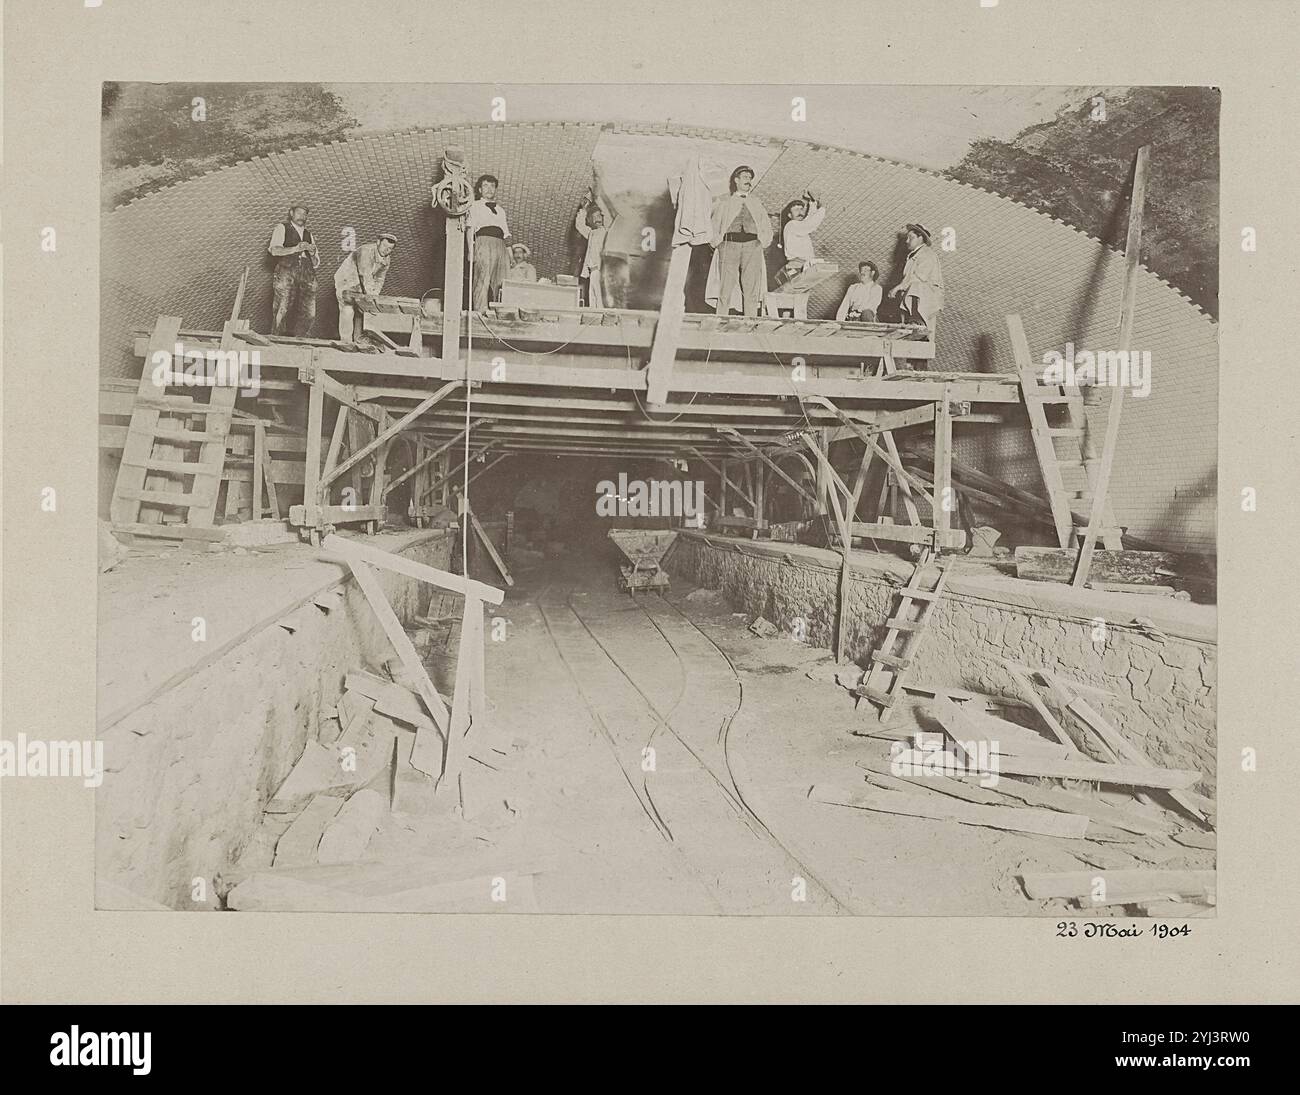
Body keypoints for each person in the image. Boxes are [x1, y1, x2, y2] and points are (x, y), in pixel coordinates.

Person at [709, 165, 773, 317]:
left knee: (751, 286)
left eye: (750, 178)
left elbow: (766, 225)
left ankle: (749, 320)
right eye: (745, 177)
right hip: (728, 245)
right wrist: (717, 242)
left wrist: (762, 242)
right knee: (725, 286)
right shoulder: (725, 201)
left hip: (752, 246)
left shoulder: (756, 202)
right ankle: (721, 319)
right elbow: (714, 224)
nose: (748, 181)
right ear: (736, 180)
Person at [267, 203, 320, 336]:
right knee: (282, 307)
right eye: (299, 213)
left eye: (305, 214)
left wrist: (312, 254)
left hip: (307, 273)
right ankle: (276, 339)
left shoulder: (309, 234)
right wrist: (296, 248)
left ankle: (301, 340)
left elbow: (316, 264)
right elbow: (274, 250)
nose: (302, 216)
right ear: (291, 213)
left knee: (309, 312)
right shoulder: (282, 227)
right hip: (286, 271)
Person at [334, 232, 397, 343]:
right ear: (378, 242)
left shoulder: (386, 259)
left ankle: (358, 339)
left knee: (362, 311)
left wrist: (374, 296)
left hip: (361, 285)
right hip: (346, 281)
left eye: (390, 249)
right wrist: (370, 297)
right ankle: (346, 341)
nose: (386, 250)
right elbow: (365, 275)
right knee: (348, 308)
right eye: (384, 246)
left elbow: (379, 279)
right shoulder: (365, 251)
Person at [467, 174, 511, 312]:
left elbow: (506, 233)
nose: (489, 189)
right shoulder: (474, 206)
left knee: (503, 281)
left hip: (500, 245)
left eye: (492, 186)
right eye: (485, 185)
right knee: (482, 278)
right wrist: (470, 250)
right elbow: (470, 229)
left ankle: (502, 312)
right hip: (483, 241)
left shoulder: (500, 210)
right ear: (479, 189)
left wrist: (510, 256)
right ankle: (480, 311)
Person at [889, 223, 945, 332]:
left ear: (921, 238)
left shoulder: (928, 254)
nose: (907, 241)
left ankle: (915, 319)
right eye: (907, 238)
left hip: (927, 295)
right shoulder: (912, 256)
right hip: (915, 297)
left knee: (916, 286)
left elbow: (919, 277)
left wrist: (898, 287)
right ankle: (911, 322)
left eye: (911, 238)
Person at [575, 186, 615, 307]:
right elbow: (579, 225)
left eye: (600, 216)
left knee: (601, 301)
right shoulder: (592, 233)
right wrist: (584, 207)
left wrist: (596, 196)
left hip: (601, 270)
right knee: (593, 301)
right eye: (595, 217)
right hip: (592, 272)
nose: (598, 219)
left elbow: (607, 213)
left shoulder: (607, 231)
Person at [781, 190, 827, 270]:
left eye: (801, 209)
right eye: (796, 210)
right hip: (797, 265)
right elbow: (810, 224)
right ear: (789, 215)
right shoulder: (791, 225)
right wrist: (822, 207)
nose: (800, 212)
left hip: (804, 265)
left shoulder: (799, 228)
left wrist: (812, 202)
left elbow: (809, 220)